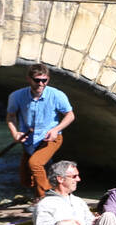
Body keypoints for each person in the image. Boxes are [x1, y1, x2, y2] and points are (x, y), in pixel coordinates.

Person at [6, 63, 75, 199]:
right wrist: (15, 133)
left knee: (35, 164)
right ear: (29, 79)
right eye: (37, 80)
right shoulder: (17, 96)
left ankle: (47, 197)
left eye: (44, 80)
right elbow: (11, 116)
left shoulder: (57, 95)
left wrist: (56, 129)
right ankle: (40, 195)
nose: (41, 84)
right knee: (26, 179)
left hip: (51, 138)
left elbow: (70, 115)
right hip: (30, 140)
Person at [32, 160, 116, 225]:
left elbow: (88, 223)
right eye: (74, 176)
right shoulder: (44, 204)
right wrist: (62, 224)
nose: (79, 179)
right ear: (60, 179)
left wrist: (93, 222)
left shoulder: (78, 201)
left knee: (108, 216)